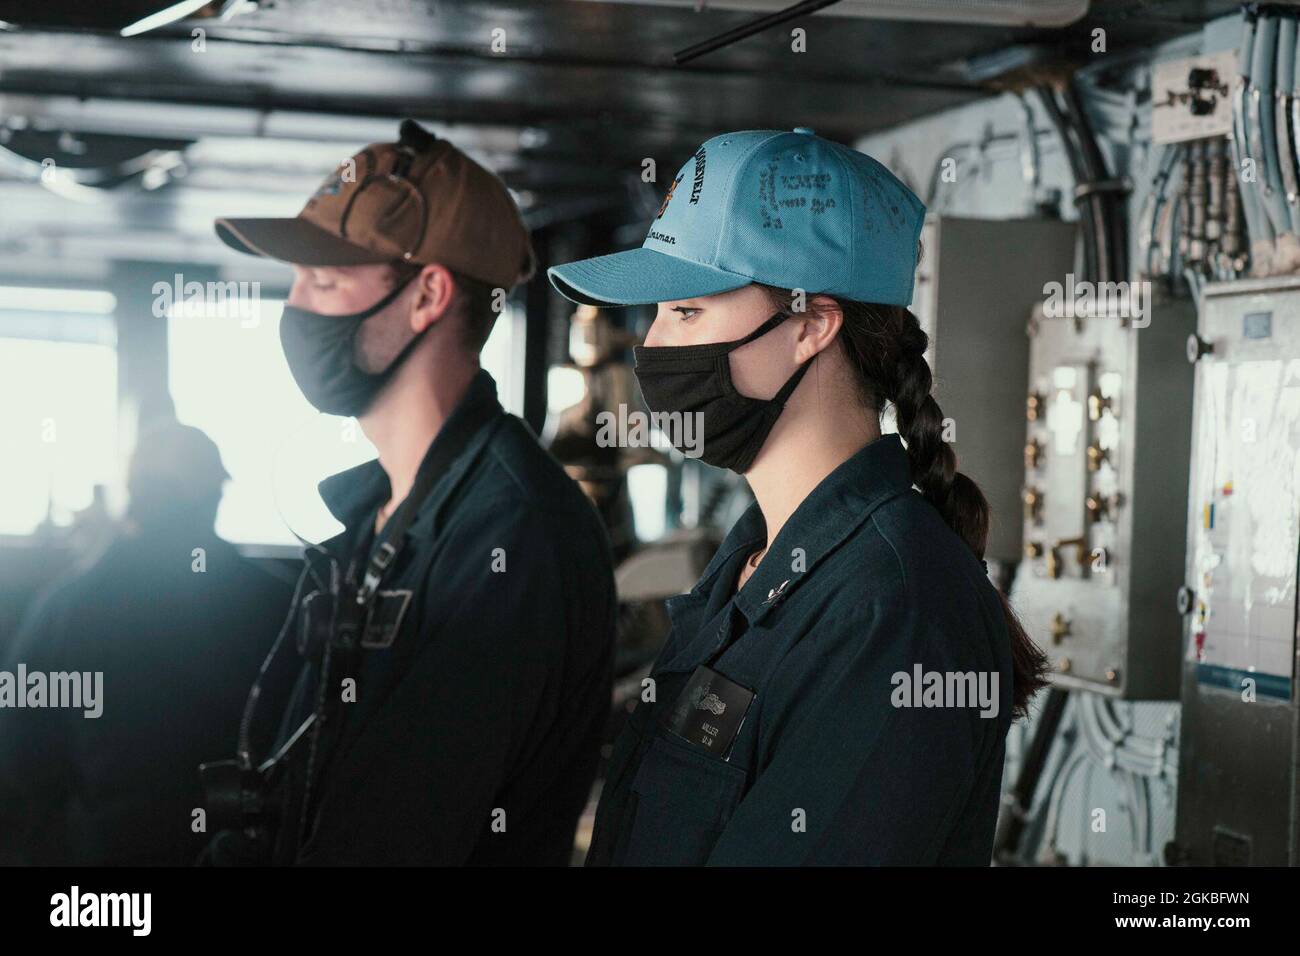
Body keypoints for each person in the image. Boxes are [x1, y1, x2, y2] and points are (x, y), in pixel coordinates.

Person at [548, 127, 1050, 866]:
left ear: (810, 325)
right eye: (652, 317)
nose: (651, 348)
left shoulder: (895, 611)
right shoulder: (752, 563)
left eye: (685, 312)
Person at [206, 119, 615, 865]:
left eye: (325, 281)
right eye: (297, 281)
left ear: (428, 295)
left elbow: (393, 834)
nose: (297, 308)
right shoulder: (381, 516)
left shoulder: (512, 537)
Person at [0, 421, 293, 865]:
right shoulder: (276, 606)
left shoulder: (65, 610)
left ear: (134, 495)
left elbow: (20, 759)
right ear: (213, 493)